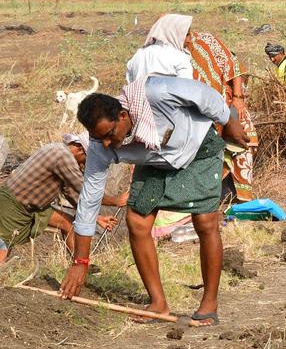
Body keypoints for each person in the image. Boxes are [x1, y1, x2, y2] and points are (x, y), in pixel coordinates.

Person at [62, 79, 250, 326]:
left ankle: (209, 304)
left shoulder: (157, 92)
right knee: (137, 220)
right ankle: (158, 303)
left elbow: (205, 95)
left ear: (123, 115)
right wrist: (80, 262)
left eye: (109, 134)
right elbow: (89, 199)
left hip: (198, 149)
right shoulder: (100, 146)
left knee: (205, 222)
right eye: (100, 138)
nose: (107, 143)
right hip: (155, 162)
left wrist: (230, 120)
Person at [0, 134, 125, 264]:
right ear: (80, 149)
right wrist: (114, 200)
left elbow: (70, 192)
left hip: (34, 207)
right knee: (4, 246)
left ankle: (80, 265)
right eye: (87, 160)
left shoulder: (60, 152)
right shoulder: (62, 156)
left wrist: (95, 217)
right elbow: (85, 190)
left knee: (68, 224)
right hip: (13, 204)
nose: (85, 164)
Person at [188, 29, 259, 203]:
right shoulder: (171, 54)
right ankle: (217, 201)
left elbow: (233, 65)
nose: (188, 38)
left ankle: (241, 201)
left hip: (229, 107)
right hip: (202, 118)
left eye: (189, 34)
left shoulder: (206, 40)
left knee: (243, 146)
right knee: (210, 156)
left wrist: (237, 97)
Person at [125, 13, 194, 83]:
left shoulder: (138, 55)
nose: (189, 40)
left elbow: (130, 85)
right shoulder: (180, 58)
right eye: (186, 35)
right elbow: (186, 90)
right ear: (173, 33)